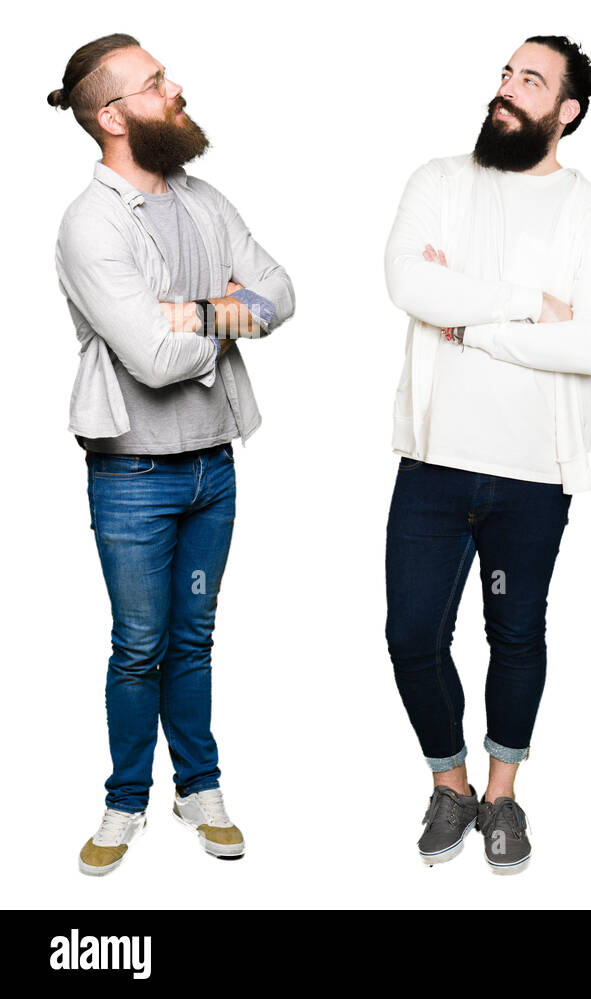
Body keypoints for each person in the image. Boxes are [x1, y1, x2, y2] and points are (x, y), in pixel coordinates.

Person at [383, 36, 591, 874]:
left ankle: (502, 794)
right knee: (413, 633)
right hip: (433, 460)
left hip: (533, 471)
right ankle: (448, 782)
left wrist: (467, 325)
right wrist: (529, 308)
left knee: (515, 632)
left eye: (530, 81)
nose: (507, 90)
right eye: (505, 74)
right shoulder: (440, 182)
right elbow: (410, 286)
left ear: (567, 111)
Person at [51, 34, 294, 876]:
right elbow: (152, 360)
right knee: (138, 645)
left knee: (194, 638)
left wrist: (191, 314)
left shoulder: (204, 199)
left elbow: (282, 292)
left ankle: (200, 786)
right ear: (113, 116)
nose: (177, 87)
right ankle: (125, 802)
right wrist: (229, 318)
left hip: (212, 468)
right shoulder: (90, 224)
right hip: (133, 479)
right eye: (157, 83)